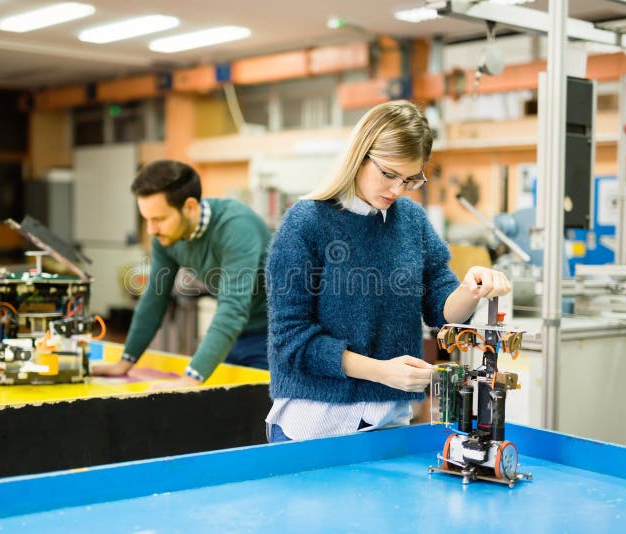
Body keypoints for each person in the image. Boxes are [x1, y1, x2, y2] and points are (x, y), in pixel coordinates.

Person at [265, 100, 512, 442]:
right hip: (314, 424)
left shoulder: (410, 221)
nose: (397, 190)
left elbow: (442, 310)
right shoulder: (306, 223)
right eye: (388, 174)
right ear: (360, 154)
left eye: (411, 179)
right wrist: (382, 372)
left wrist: (472, 288)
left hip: (389, 421)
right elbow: (291, 340)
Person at [91, 160, 271, 389]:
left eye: (159, 219)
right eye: (147, 219)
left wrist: (190, 378)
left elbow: (232, 308)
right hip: (235, 336)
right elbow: (154, 298)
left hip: (273, 335)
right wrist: (125, 362)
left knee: (257, 414)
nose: (151, 230)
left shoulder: (236, 227)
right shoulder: (166, 238)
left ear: (190, 207)